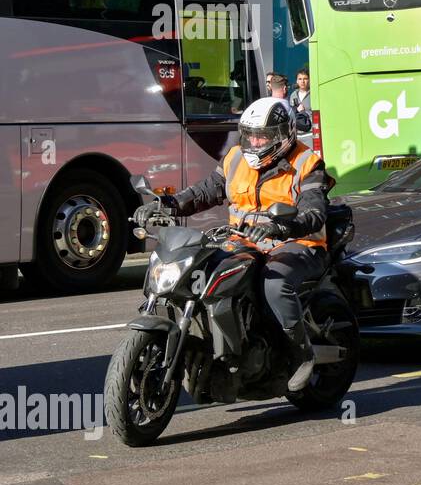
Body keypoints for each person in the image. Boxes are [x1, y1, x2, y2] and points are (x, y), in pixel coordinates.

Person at [133, 98, 333, 392]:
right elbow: (206, 191)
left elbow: (314, 212)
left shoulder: (306, 163)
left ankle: (301, 354)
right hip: (244, 239)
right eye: (249, 134)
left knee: (273, 285)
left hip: (296, 242)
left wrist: (284, 224)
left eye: (262, 136)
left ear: (282, 135)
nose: (254, 141)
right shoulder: (236, 157)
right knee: (205, 268)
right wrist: (167, 204)